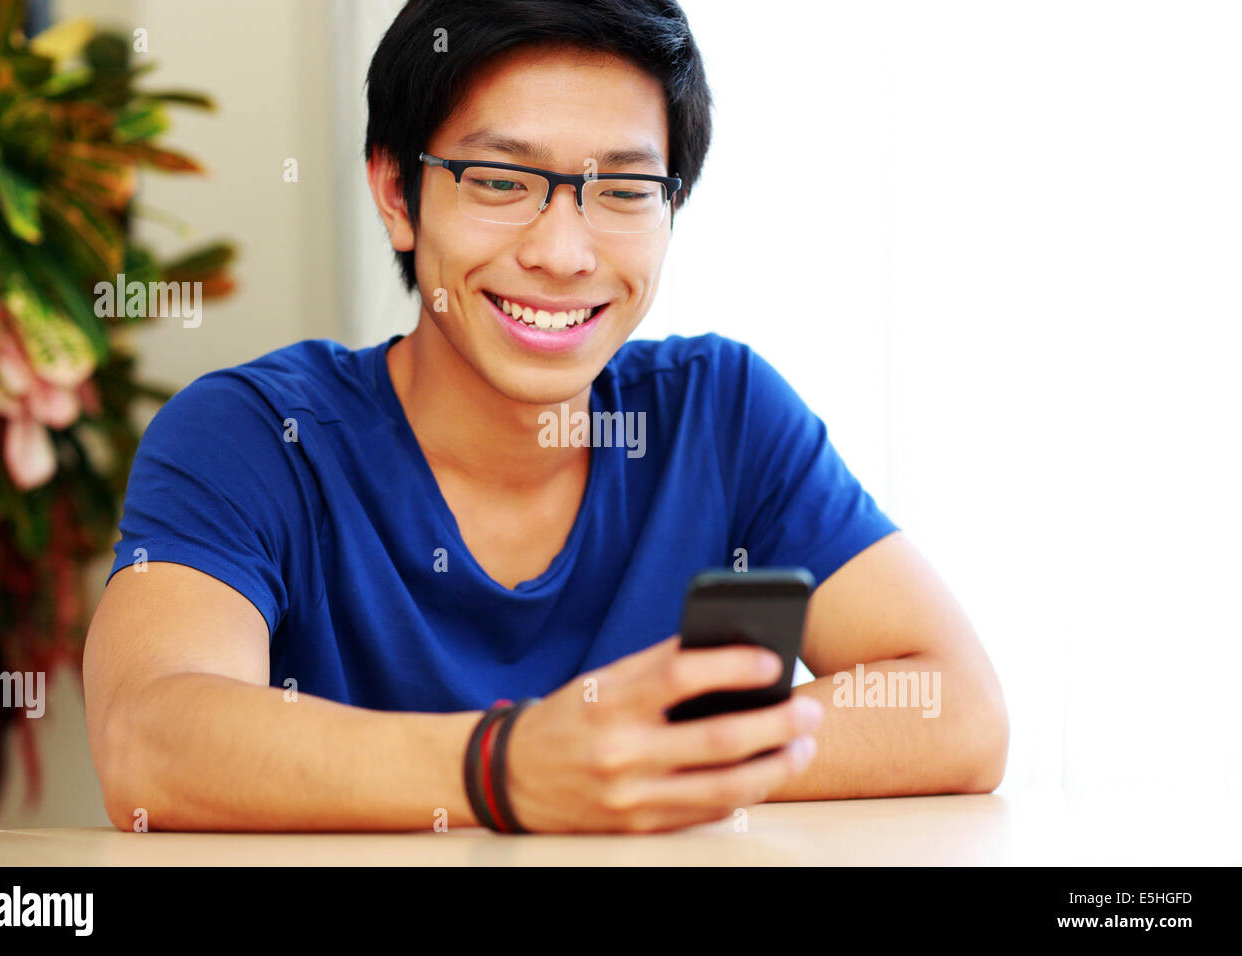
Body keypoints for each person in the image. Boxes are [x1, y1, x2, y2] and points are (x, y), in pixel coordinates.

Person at [84, 0, 1007, 834]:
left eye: (624, 191)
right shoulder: (254, 437)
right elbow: (149, 740)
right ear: (398, 195)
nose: (564, 254)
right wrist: (511, 770)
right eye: (499, 180)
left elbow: (958, 708)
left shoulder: (720, 414)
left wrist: (653, 768)